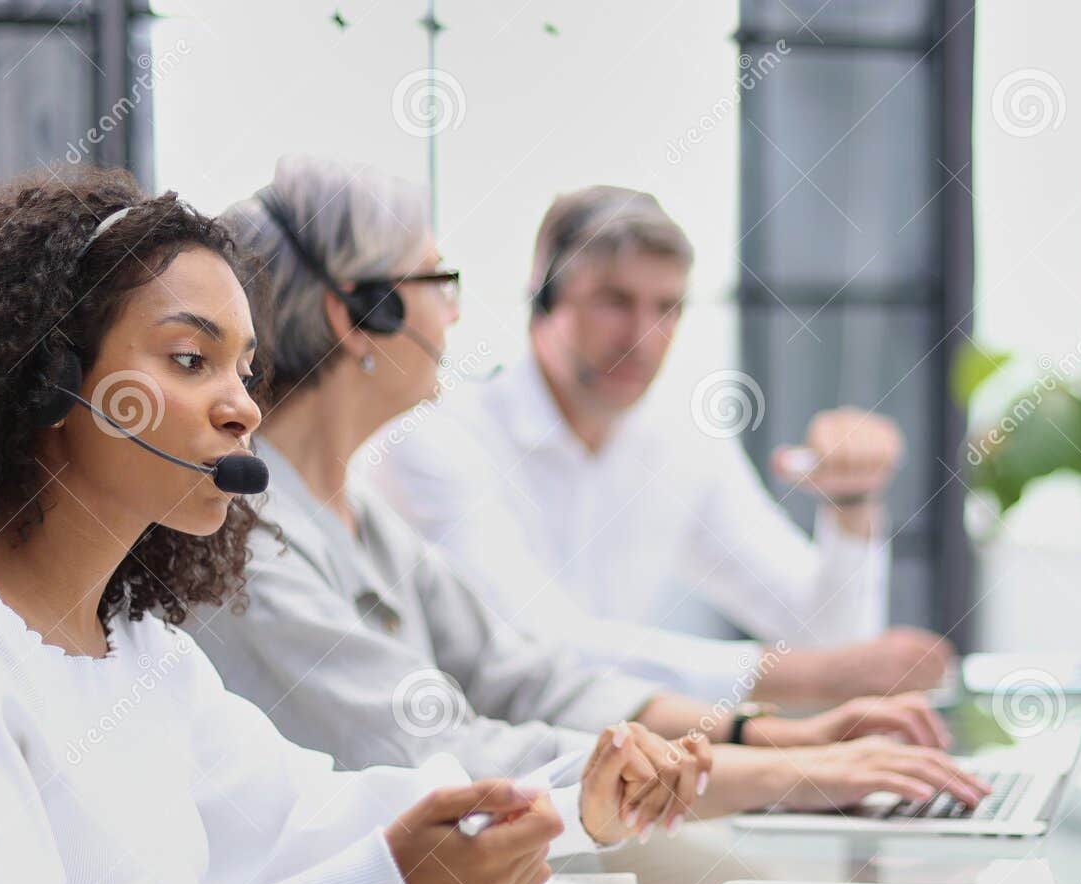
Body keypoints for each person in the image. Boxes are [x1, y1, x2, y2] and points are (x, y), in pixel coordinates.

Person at [0, 169, 671, 884]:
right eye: (189, 360)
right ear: (48, 376)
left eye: (245, 369)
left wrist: (568, 801)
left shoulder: (137, 650)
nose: (244, 405)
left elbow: (306, 819)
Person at [191, 157, 986, 838]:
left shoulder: (350, 513)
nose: (458, 312)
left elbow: (529, 679)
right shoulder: (252, 542)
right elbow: (447, 756)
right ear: (364, 312)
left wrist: (771, 736)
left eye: (668, 307)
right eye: (440, 281)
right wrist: (781, 771)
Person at [366, 184, 955, 707]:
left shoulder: (679, 447)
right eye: (614, 301)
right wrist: (802, 677)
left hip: (619, 785)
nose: (644, 337)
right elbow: (536, 646)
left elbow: (828, 639)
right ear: (543, 301)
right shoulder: (438, 436)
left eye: (667, 307)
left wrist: (852, 502)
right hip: (459, 791)